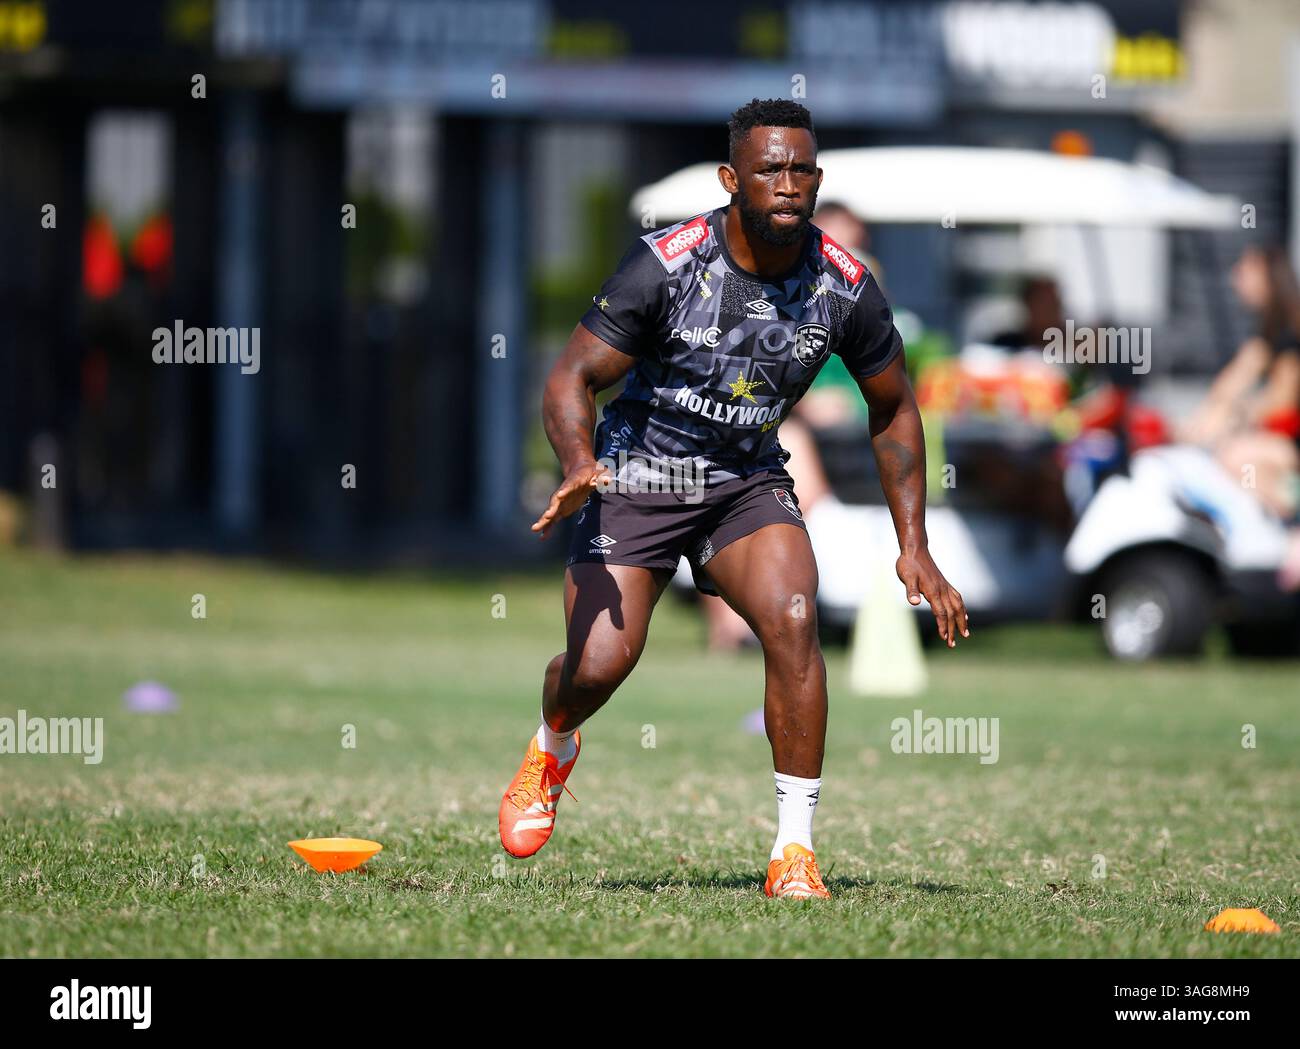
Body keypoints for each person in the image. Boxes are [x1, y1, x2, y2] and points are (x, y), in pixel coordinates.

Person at [498, 99, 969, 899]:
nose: (788, 184)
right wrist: (577, 458)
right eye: (768, 169)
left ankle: (793, 850)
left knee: (793, 621)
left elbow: (894, 406)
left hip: (744, 482)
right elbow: (570, 375)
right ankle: (551, 744)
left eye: (801, 170)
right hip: (639, 473)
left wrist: (914, 544)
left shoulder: (844, 286)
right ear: (731, 179)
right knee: (599, 665)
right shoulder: (668, 263)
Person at [1183, 245, 1300, 519]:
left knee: (1233, 457)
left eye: (1245, 270)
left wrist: (1233, 416)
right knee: (1224, 449)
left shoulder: (1291, 332)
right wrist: (1205, 421)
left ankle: (1289, 524)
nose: (1236, 278)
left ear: (1268, 274)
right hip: (1283, 441)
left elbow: (1281, 404)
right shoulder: (1268, 333)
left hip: (1291, 446)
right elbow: (1228, 385)